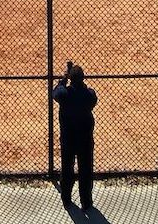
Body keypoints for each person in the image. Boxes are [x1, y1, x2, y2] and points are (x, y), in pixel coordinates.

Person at [53, 61, 97, 212]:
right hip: (85, 138)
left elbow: (56, 92)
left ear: (70, 79)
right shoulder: (89, 94)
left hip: (68, 138)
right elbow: (92, 98)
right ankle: (86, 201)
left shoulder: (64, 94)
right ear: (83, 78)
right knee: (86, 169)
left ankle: (66, 199)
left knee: (67, 169)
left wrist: (63, 79)